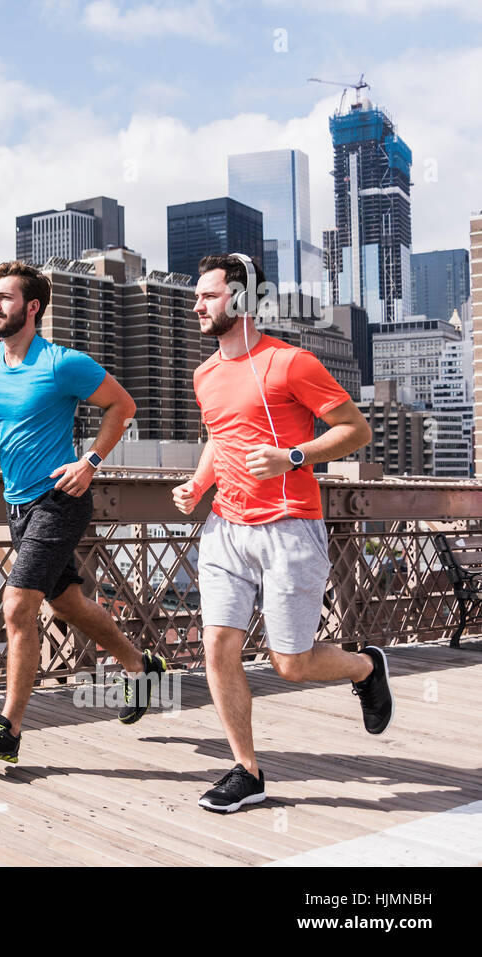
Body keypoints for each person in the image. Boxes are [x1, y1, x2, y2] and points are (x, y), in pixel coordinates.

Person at [174, 253, 394, 813]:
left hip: (291, 527)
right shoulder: (204, 373)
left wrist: (293, 455)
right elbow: (219, 438)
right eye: (196, 295)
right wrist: (198, 486)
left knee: (290, 664)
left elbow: (355, 429)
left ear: (244, 301)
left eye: (208, 295)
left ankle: (365, 666)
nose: (196, 304)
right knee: (217, 646)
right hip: (225, 526)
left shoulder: (291, 363)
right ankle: (247, 771)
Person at [0, 260, 168, 765]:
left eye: (4, 297)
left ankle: (9, 728)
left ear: (32, 308)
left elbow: (123, 406)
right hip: (17, 507)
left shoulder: (62, 363)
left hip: (60, 499)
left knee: (17, 607)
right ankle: (142, 668)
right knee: (69, 604)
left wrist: (89, 463)